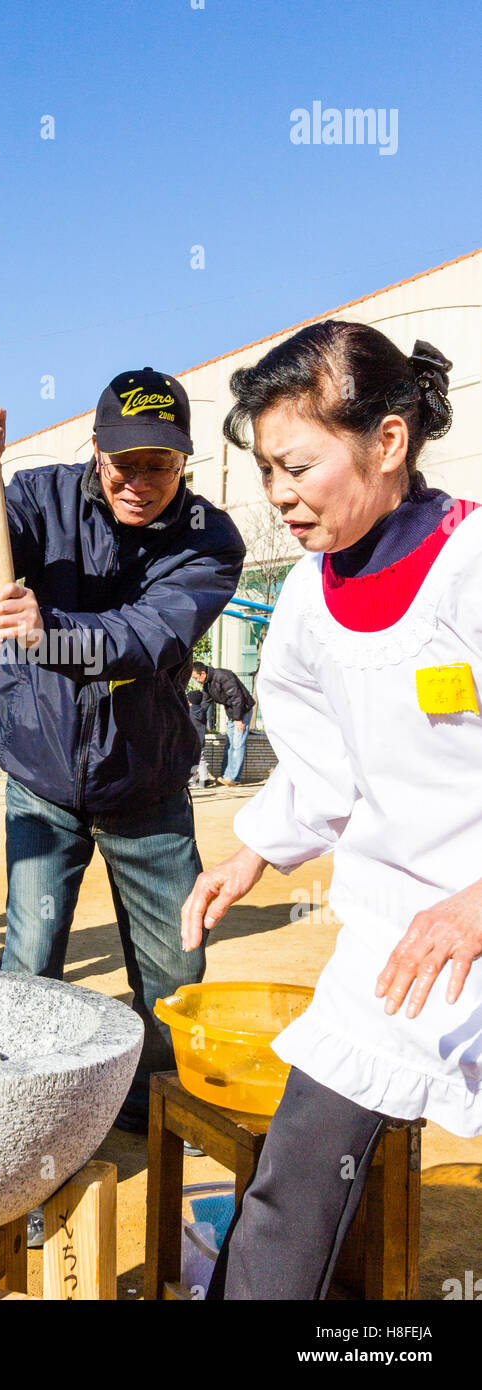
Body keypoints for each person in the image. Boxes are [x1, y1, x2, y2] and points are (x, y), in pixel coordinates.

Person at [180, 322, 482, 1300]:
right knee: (295, 1174)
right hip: (394, 944)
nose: (277, 494)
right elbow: (320, 769)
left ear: (386, 442)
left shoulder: (468, 563)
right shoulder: (307, 602)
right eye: (266, 469)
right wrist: (250, 854)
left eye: (296, 464)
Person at [0, 367, 245, 1131]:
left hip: (148, 785)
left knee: (176, 970)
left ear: (184, 463)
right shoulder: (34, 496)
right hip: (42, 773)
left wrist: (53, 633)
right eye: (124, 461)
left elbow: (153, 634)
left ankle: (152, 1108)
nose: (139, 480)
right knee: (31, 958)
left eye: (159, 464)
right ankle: (24, 1113)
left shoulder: (212, 540)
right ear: (96, 451)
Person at [190, 660, 255, 786]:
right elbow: (204, 704)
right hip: (232, 712)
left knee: (237, 744)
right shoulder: (208, 685)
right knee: (229, 745)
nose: (196, 680)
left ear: (202, 673)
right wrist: (194, 715)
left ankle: (233, 778)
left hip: (242, 711)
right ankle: (226, 776)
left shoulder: (223, 676)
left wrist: (238, 719)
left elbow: (237, 697)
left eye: (196, 677)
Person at [186, 687, 212, 788]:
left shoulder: (189, 712)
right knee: (201, 760)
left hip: (191, 741)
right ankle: (204, 779)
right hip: (200, 741)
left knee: (190, 761)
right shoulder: (203, 711)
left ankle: (192, 780)